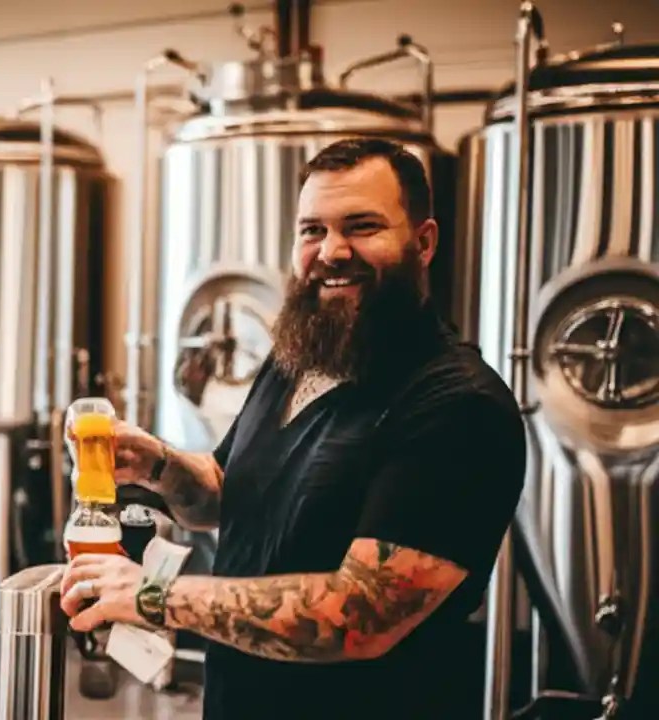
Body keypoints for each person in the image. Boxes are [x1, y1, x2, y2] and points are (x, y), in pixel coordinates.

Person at [59, 139, 526, 718]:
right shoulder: (300, 357)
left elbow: (359, 617)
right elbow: (228, 494)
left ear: (423, 242)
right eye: (312, 230)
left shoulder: (456, 406)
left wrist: (151, 596)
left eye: (361, 226)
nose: (332, 251)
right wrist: (157, 463)